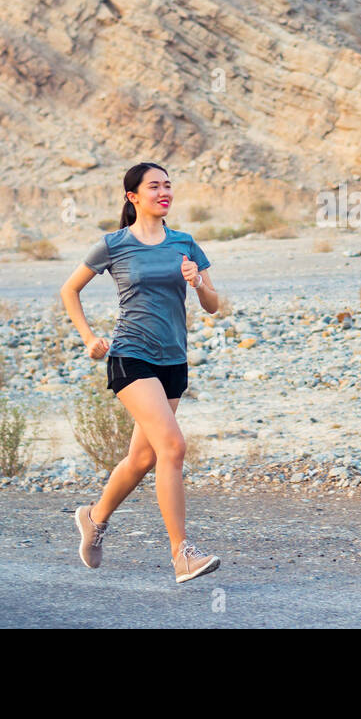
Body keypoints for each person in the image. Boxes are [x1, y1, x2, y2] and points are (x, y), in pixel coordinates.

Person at [59, 161, 221, 583]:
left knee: (143, 457)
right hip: (131, 356)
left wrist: (198, 283)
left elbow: (213, 304)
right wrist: (88, 337)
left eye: (168, 185)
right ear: (133, 196)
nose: (164, 192)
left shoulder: (185, 243)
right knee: (173, 447)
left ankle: (94, 519)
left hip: (174, 360)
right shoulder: (114, 244)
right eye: (155, 186)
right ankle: (181, 553)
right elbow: (69, 289)